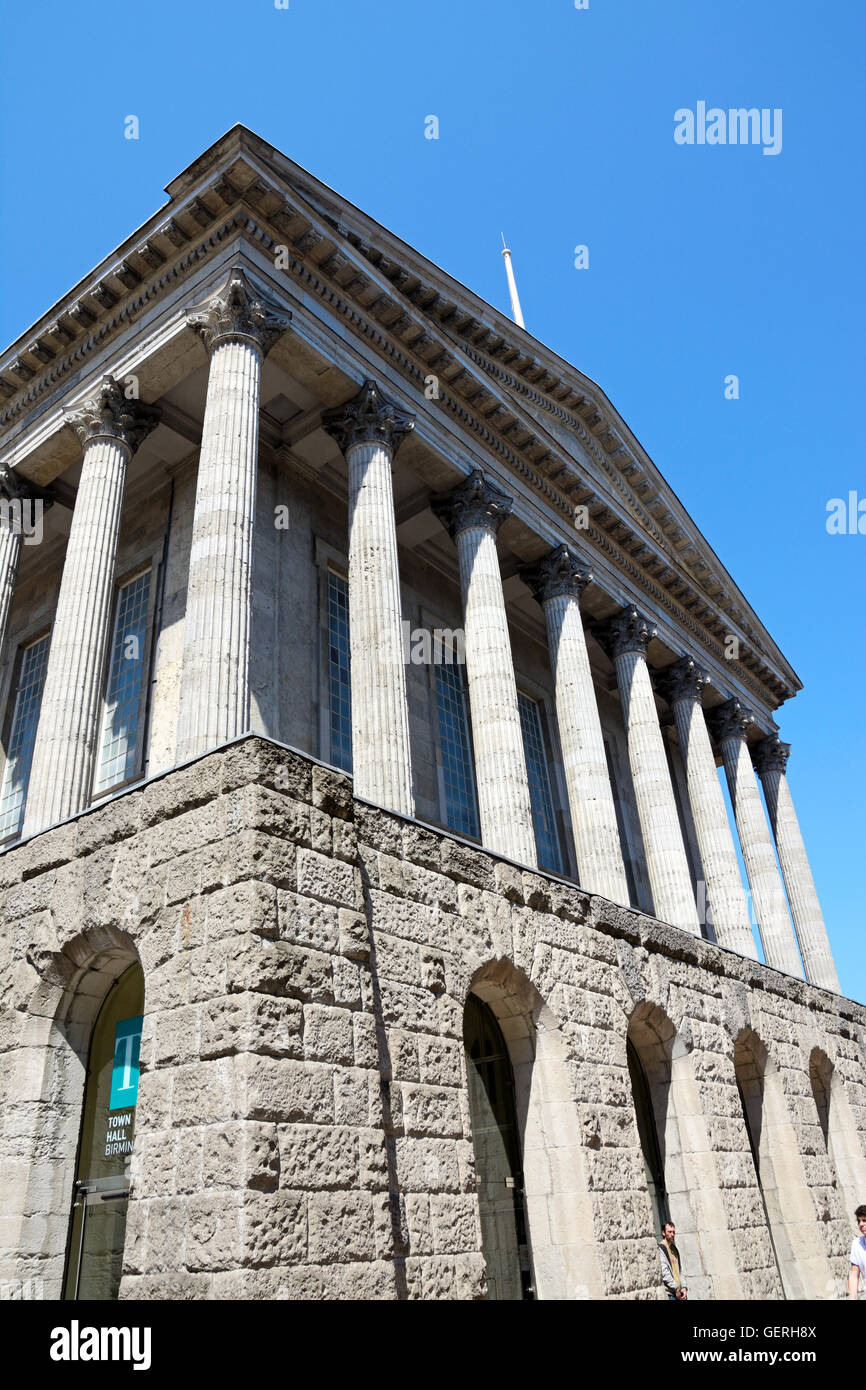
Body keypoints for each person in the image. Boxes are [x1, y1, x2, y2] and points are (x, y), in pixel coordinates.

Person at [659, 1220, 688, 1301]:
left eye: (673, 1232)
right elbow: (665, 1273)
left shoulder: (674, 1249)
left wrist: (684, 1287)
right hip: (671, 1295)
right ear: (663, 1233)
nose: (672, 1234)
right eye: (670, 1232)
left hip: (680, 1293)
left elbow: (680, 1270)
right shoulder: (661, 1249)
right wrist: (676, 1289)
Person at [848, 1205, 866, 1300]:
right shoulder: (856, 1244)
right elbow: (854, 1276)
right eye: (859, 1221)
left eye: (864, 1220)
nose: (861, 1224)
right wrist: (852, 1297)